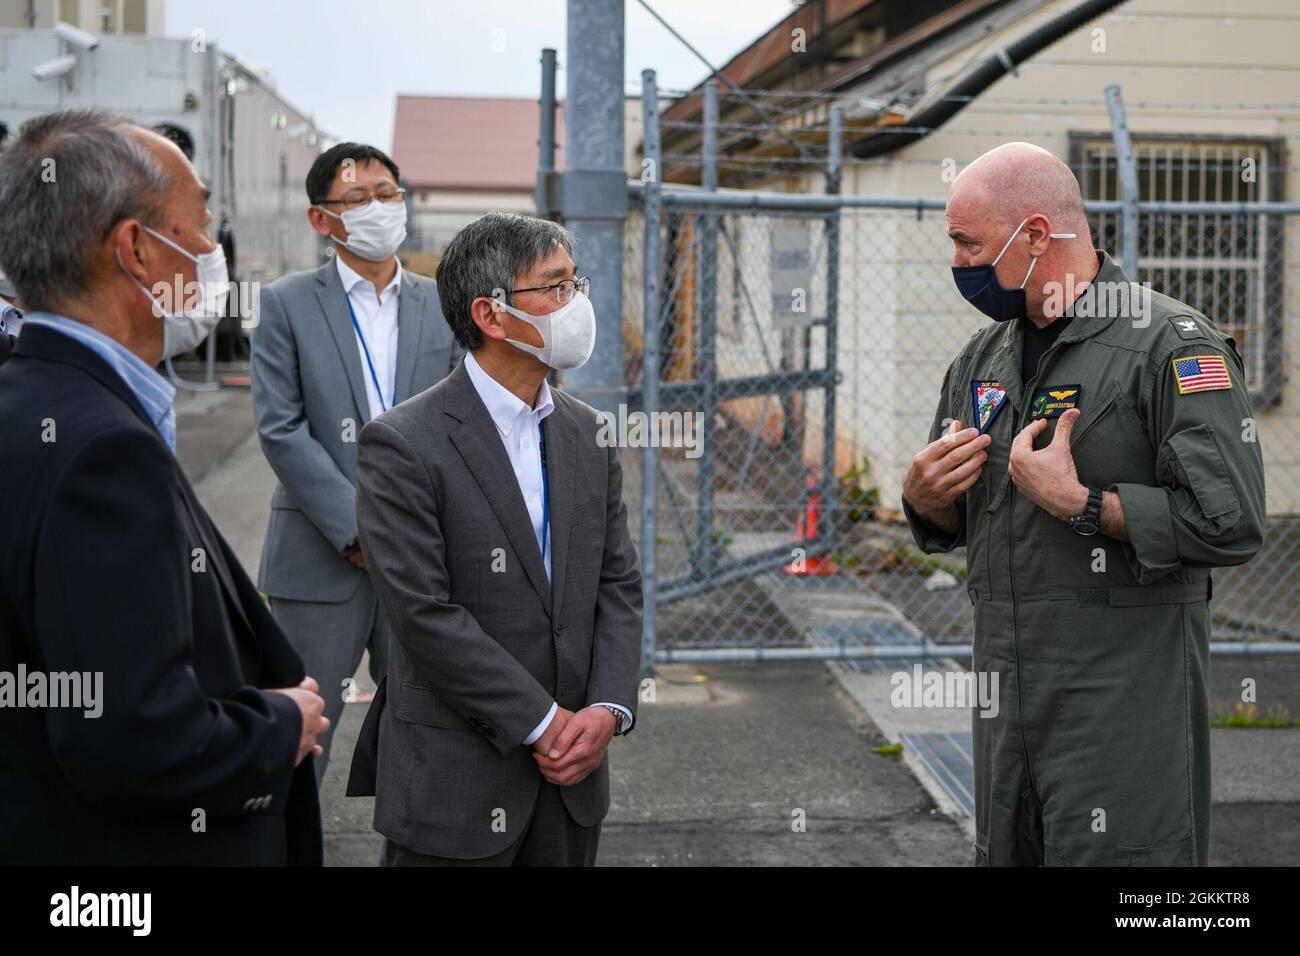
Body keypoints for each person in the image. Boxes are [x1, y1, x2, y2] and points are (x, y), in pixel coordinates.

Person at [901, 142, 1266, 866]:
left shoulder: (1171, 348)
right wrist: (925, 499)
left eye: (969, 242)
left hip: (1121, 708)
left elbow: (1231, 523)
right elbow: (960, 521)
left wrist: (1083, 502)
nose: (958, 262)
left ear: (1036, 236)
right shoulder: (982, 360)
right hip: (1007, 707)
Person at [0, 109, 328, 865]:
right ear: (138, 251)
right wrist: (282, 725)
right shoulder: (103, 452)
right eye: (201, 226)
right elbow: (133, 739)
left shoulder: (32, 398)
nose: (213, 252)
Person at [347, 211, 643, 866]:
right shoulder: (403, 442)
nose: (578, 306)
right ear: (491, 314)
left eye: (578, 285)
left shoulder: (588, 432)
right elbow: (424, 615)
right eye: (556, 287)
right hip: (456, 782)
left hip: (572, 784)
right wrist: (543, 722)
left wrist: (609, 708)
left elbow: (617, 584)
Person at [250, 143, 458, 784]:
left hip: (425, 558)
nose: (378, 208)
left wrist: (408, 526)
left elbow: (460, 425)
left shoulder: (442, 303)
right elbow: (281, 429)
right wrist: (358, 527)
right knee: (302, 741)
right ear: (322, 220)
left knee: (434, 736)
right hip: (320, 558)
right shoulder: (286, 303)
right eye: (357, 198)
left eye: (388, 193)